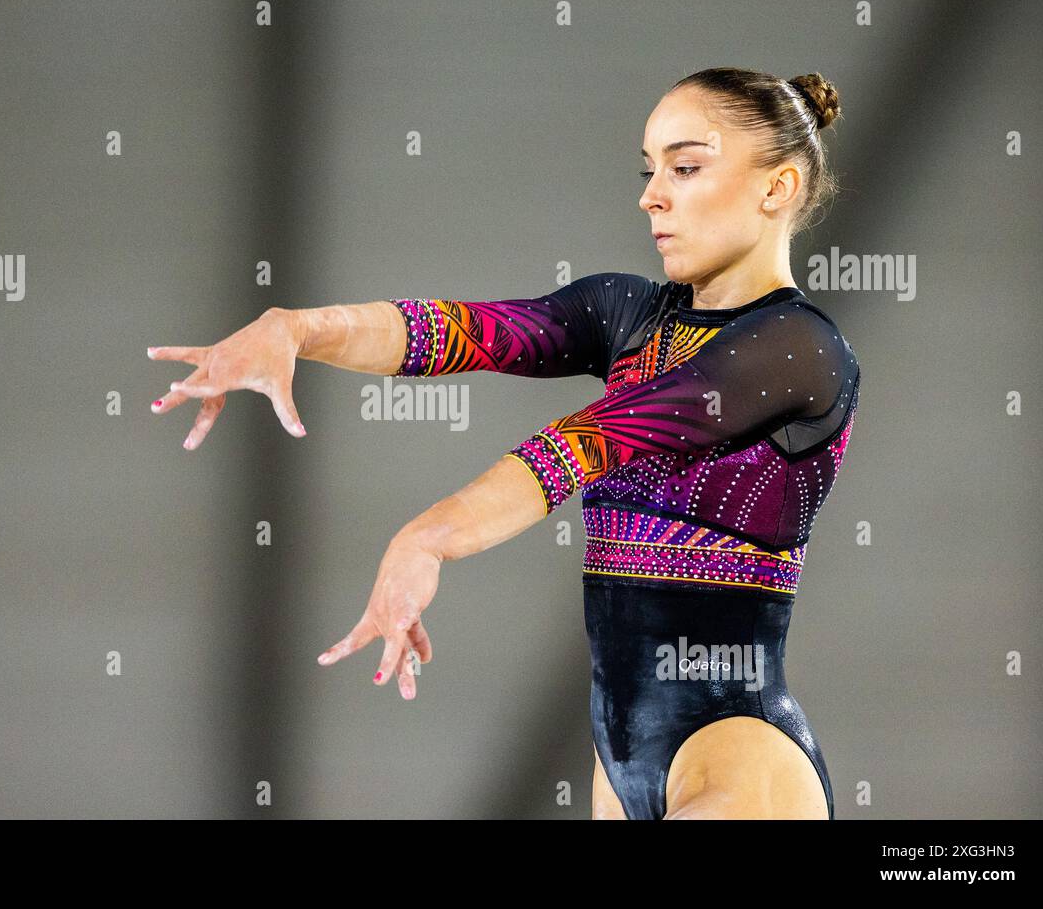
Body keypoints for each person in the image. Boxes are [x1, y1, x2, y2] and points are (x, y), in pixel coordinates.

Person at [149, 67, 860, 819]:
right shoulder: (628, 313)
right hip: (621, 770)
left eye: (685, 168)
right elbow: (465, 331)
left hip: (738, 757)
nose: (651, 194)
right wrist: (297, 328)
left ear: (776, 188)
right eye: (649, 170)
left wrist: (429, 538)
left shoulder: (797, 348)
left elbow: (595, 437)